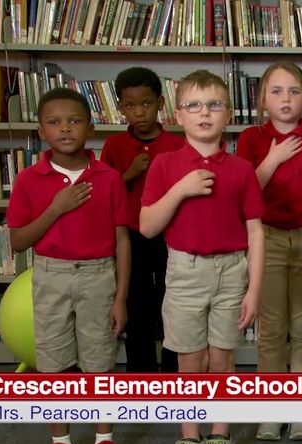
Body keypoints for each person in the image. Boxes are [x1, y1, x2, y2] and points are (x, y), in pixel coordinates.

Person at [139, 69, 264, 444]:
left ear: (228, 113)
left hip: (232, 269)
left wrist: (255, 290)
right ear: (177, 115)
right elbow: (147, 227)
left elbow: (255, 230)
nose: (204, 113)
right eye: (194, 105)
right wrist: (181, 189)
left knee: (222, 358)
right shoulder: (165, 164)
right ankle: (190, 437)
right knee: (189, 359)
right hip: (184, 269)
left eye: (213, 104)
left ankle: (219, 437)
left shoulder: (242, 169)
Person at [7, 87, 131, 444]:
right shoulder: (30, 180)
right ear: (41, 129)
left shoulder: (108, 177)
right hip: (51, 276)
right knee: (53, 366)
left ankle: (104, 440)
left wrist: (121, 298)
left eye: (74, 120)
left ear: (90, 127)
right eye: (54, 122)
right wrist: (56, 208)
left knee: (100, 364)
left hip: (98, 275)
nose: (65, 129)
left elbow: (123, 240)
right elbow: (18, 240)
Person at [236, 61, 302, 442]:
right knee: (272, 329)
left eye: (293, 91)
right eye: (276, 91)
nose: (285, 99)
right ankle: (271, 410)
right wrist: (272, 159)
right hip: (268, 239)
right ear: (262, 99)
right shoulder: (251, 139)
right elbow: (243, 194)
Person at [101, 66, 184, 373]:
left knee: (172, 300)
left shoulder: (177, 145)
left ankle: (173, 370)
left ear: (161, 104)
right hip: (131, 237)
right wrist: (128, 174)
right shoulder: (115, 146)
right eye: (130, 105)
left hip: (170, 235)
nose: (139, 112)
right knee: (135, 302)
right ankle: (141, 374)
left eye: (146, 104)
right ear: (121, 107)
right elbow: (102, 194)